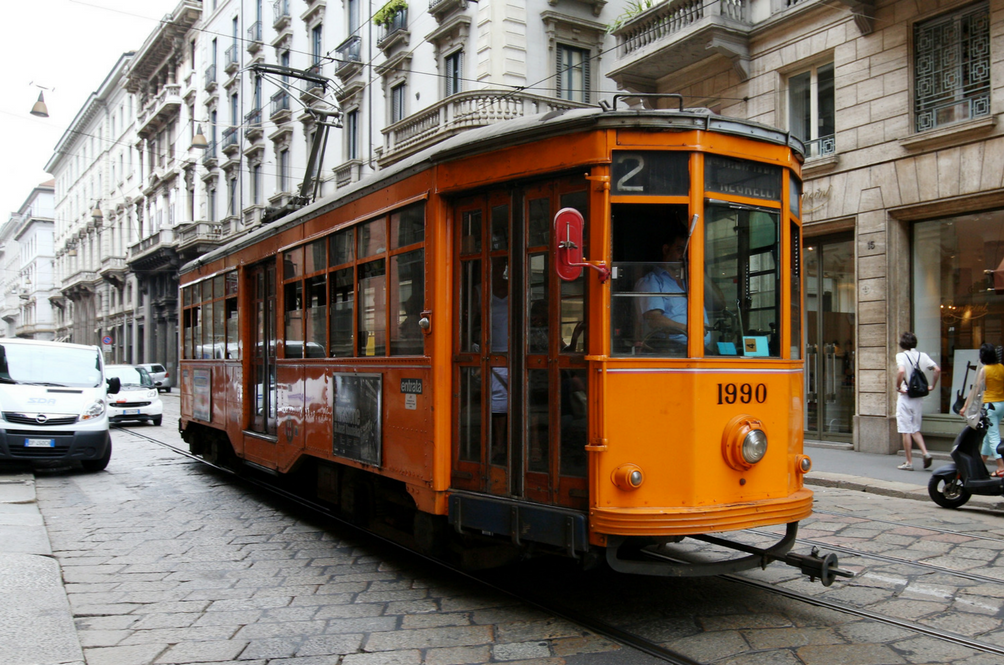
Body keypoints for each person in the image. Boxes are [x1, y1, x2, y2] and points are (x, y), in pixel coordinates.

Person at [634, 222, 709, 354]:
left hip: (701, 350)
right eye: (680, 250)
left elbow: (720, 303)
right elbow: (654, 320)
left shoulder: (692, 282)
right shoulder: (651, 282)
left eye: (688, 252)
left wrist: (698, 269)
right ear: (666, 250)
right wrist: (687, 329)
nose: (684, 256)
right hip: (670, 350)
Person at [894, 331, 940, 470]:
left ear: (902, 344)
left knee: (905, 430)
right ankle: (925, 453)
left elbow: (901, 371)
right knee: (915, 429)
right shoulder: (923, 356)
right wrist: (932, 385)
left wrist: (898, 386)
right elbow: (937, 369)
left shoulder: (901, 356)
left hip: (906, 395)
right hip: (918, 397)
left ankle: (909, 462)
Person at [961, 342, 1004, 476]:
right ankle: (981, 462)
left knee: (993, 436)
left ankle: (1001, 467)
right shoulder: (1002, 367)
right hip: (1002, 404)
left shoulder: (985, 370)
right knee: (989, 435)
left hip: (989, 405)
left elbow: (976, 390)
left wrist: (965, 406)